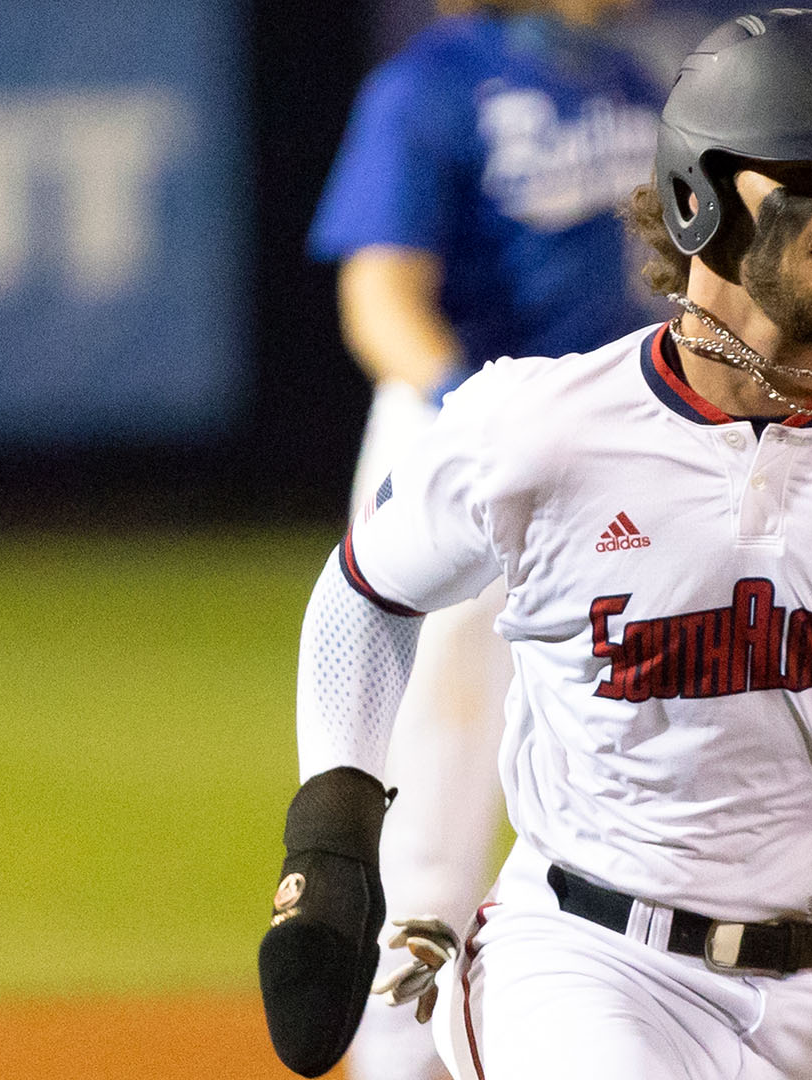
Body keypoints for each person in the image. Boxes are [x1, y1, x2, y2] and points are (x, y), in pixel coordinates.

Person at [260, 10, 812, 1080]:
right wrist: (333, 825)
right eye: (809, 172)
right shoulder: (541, 426)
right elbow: (366, 591)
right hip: (582, 964)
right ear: (697, 196)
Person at [302, 2, 661, 1077]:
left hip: (621, 468)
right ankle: (394, 1062)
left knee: (625, 784)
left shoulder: (630, 86)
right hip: (461, 449)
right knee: (429, 805)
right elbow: (378, 297)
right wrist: (480, 423)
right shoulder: (432, 85)